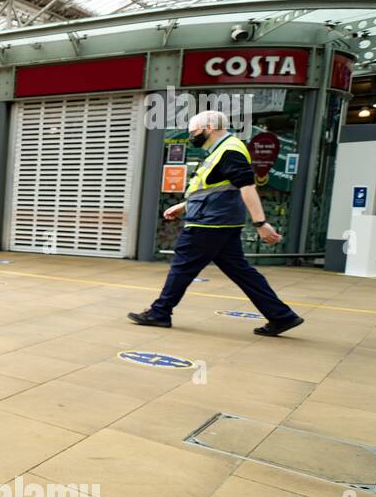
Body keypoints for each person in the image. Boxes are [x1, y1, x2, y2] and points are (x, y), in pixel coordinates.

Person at [129, 110, 303, 337]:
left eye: (194, 132)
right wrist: (183, 206)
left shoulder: (229, 151)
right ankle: (282, 316)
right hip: (219, 222)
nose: (192, 137)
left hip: (209, 224)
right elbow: (214, 187)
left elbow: (247, 187)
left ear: (209, 127)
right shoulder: (221, 150)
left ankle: (159, 312)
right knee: (242, 272)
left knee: (182, 267)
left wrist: (261, 223)